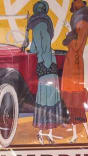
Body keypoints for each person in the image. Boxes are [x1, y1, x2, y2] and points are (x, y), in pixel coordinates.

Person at [27, 1, 63, 144]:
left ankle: (42, 133)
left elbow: (34, 49)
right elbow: (46, 44)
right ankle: (49, 134)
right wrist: (48, 60)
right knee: (51, 97)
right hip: (49, 64)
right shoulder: (45, 24)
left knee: (43, 98)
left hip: (41, 65)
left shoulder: (34, 26)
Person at [61, 0, 88, 143]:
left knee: (75, 101)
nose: (72, 6)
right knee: (73, 102)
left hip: (75, 66)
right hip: (73, 65)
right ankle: (84, 135)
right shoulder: (81, 23)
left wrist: (69, 31)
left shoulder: (83, 23)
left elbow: (76, 45)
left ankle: (84, 134)